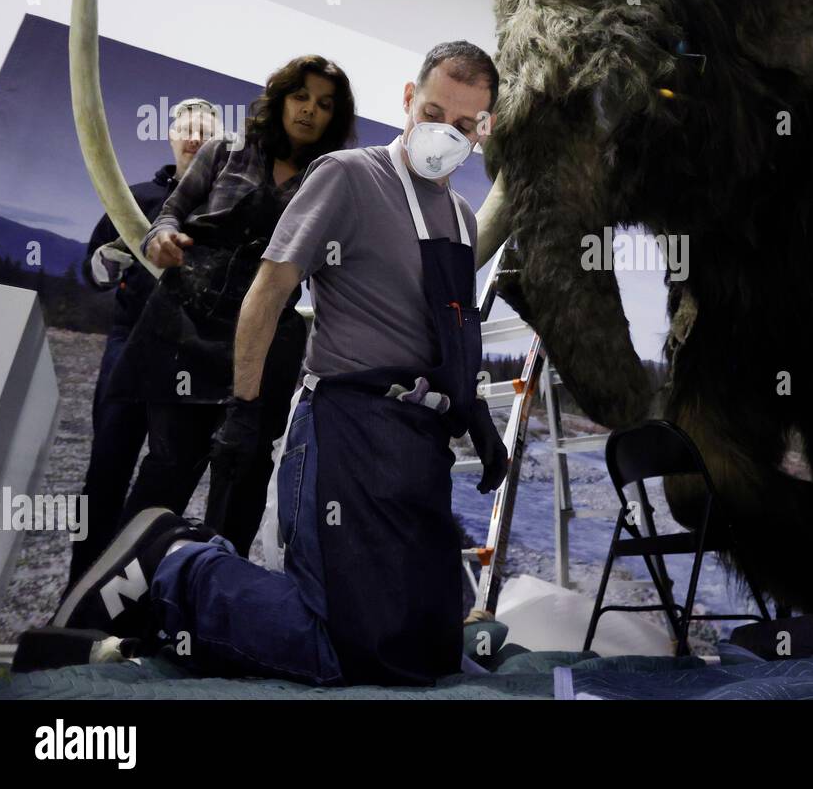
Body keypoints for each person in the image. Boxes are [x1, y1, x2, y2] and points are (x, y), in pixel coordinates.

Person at [54, 41, 508, 687]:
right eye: (434, 112)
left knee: (431, 648)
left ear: (483, 131)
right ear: (409, 101)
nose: (446, 134)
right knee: (344, 644)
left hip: (421, 449)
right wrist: (244, 410)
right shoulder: (346, 177)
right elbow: (267, 295)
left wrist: (477, 413)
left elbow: (449, 329)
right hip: (343, 426)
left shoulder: (462, 222)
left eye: (464, 126)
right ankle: (179, 563)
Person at [105, 55, 357, 558]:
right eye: (301, 96)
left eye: (324, 104)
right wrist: (161, 235)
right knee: (166, 473)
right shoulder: (225, 150)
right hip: (184, 329)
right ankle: (117, 617)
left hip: (265, 345)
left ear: (335, 117)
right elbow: (175, 207)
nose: (309, 110)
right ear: (282, 97)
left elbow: (333, 265)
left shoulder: (330, 180)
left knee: (241, 480)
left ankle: (208, 614)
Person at [66, 99, 220, 587]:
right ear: (170, 134)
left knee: (165, 482)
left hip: (193, 357)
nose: (193, 136)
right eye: (185, 127)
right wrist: (112, 259)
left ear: (221, 139)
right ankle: (76, 596)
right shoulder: (130, 199)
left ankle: (125, 601)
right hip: (129, 344)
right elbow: (92, 274)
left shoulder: (230, 207)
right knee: (105, 469)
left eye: (204, 128)